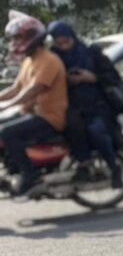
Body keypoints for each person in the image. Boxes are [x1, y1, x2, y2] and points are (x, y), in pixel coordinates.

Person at [0, 12, 70, 197]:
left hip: (49, 117)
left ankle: (29, 174)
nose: (15, 42)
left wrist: (6, 106)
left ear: (32, 37)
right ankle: (11, 167)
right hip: (33, 113)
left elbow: (32, 91)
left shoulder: (48, 61)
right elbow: (16, 88)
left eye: (19, 37)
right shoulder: (30, 60)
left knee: (7, 132)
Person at [48, 20, 121, 185]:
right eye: (59, 43)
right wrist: (66, 79)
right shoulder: (54, 58)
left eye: (67, 41)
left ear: (72, 37)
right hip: (71, 107)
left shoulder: (91, 53)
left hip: (98, 106)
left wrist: (92, 77)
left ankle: (113, 167)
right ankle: (83, 165)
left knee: (96, 131)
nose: (64, 46)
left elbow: (113, 77)